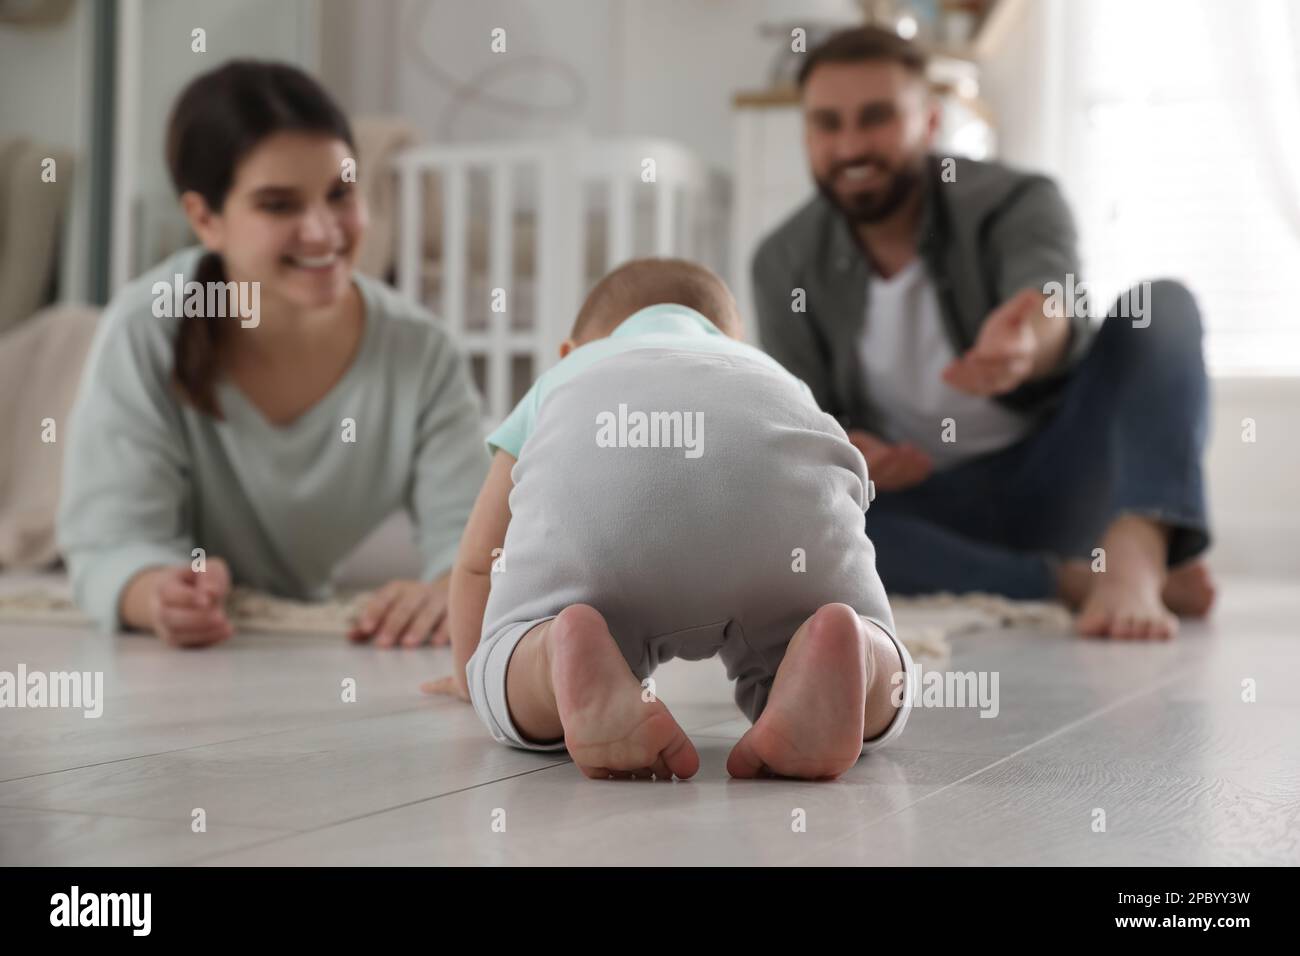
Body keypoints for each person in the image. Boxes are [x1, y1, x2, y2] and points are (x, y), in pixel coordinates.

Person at [753, 27, 1215, 640]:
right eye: (827, 125)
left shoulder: (1014, 200)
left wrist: (1028, 341)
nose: (851, 145)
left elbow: (1054, 297)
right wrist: (857, 450)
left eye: (877, 117)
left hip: (1062, 473)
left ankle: (1137, 551)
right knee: (800, 526)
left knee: (1161, 305)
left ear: (929, 121)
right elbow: (808, 428)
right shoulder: (782, 262)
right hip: (930, 509)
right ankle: (1070, 583)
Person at [57, 61, 489, 648]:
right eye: (278, 205)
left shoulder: (423, 353)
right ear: (205, 219)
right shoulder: (144, 328)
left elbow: (475, 544)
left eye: (340, 194)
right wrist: (156, 591)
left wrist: (448, 588)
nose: (322, 231)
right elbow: (110, 542)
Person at [433, 258, 913, 781]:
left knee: (514, 653)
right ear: (732, 342)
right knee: (854, 642)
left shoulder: (567, 375)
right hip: (776, 519)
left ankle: (553, 656)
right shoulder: (770, 374)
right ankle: (852, 651)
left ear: (571, 351)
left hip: (604, 523)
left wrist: (473, 674)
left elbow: (481, 560)